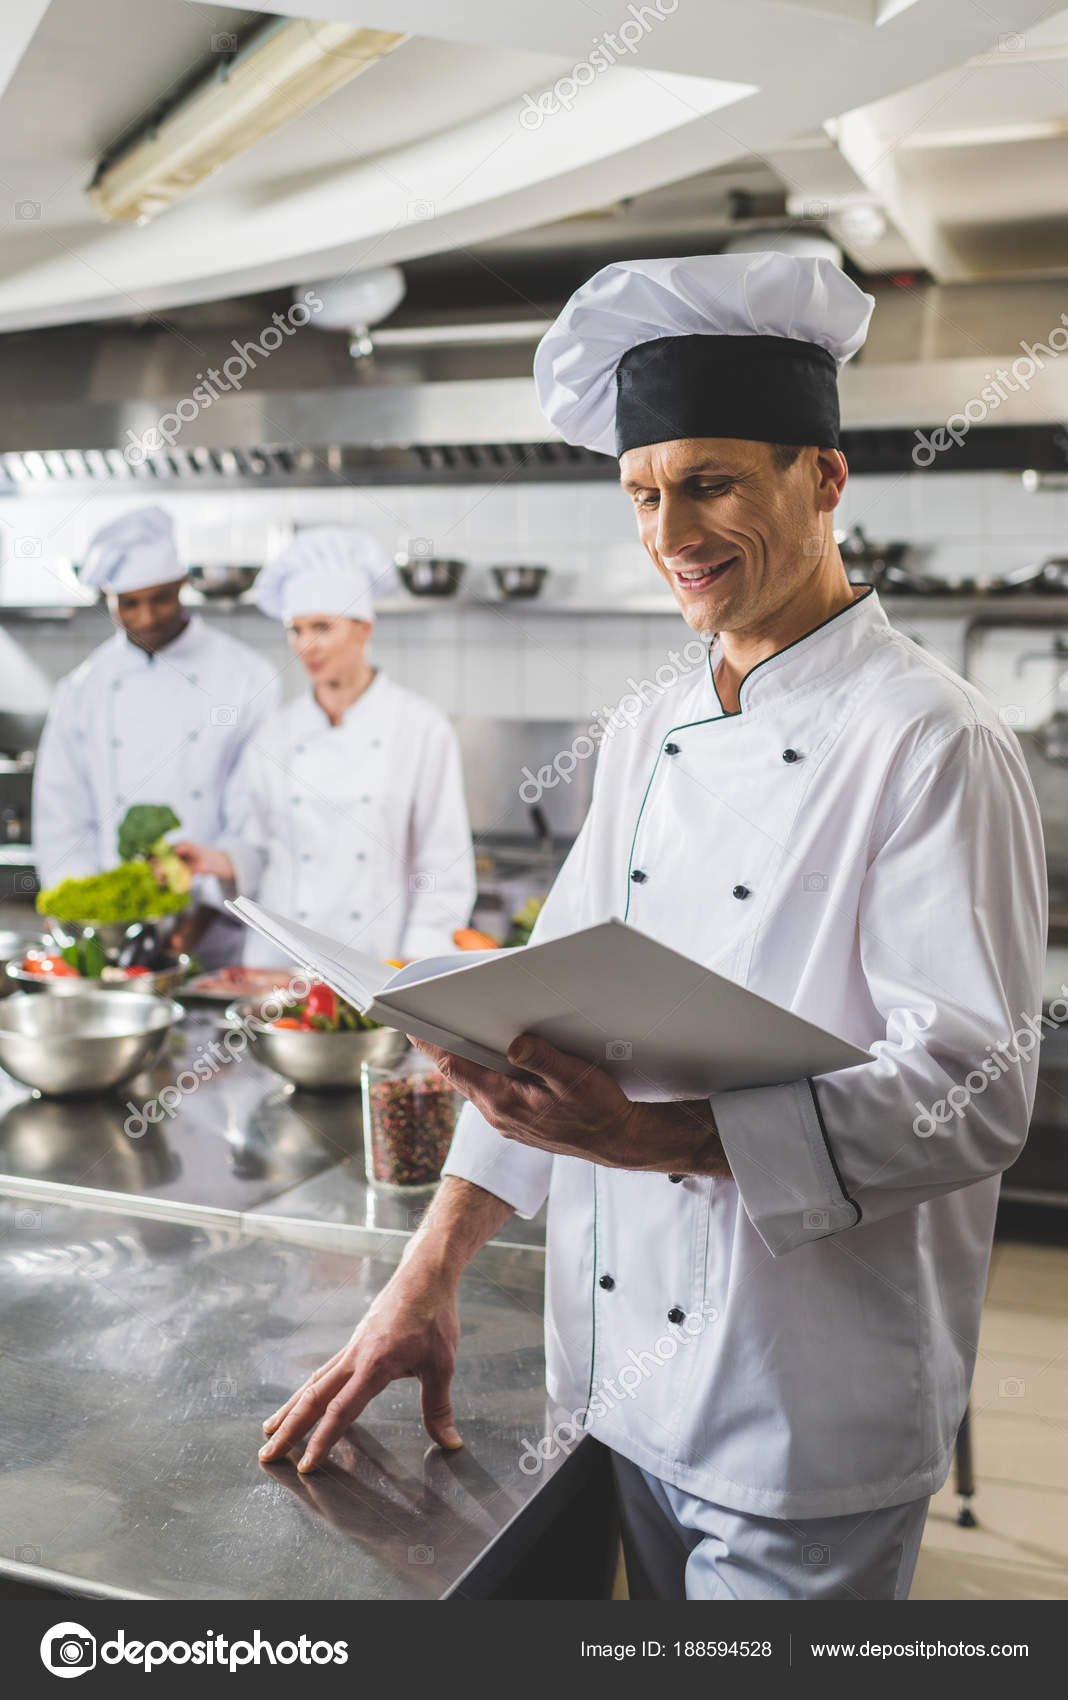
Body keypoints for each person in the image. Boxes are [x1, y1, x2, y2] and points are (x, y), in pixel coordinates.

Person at [256, 254, 1047, 1602]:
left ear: (826, 478)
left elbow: (972, 1096)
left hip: (805, 1407)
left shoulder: (931, 742)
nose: (669, 528)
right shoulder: (649, 725)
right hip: (616, 1390)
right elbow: (534, 1027)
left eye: (712, 481)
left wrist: (656, 1135)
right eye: (643, 492)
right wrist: (424, 1278)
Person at [177, 527, 476, 965]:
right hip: (280, 966)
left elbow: (443, 865)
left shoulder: (420, 728)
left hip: (379, 964)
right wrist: (221, 861)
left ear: (363, 629)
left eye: (322, 627)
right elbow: (262, 853)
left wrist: (417, 964)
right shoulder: (273, 736)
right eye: (295, 630)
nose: (306, 645)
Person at [32, 506, 280, 964]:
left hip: (215, 936)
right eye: (128, 603)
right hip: (111, 946)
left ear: (183, 584)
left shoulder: (247, 678)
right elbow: (61, 819)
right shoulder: (82, 690)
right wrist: (97, 920)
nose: (146, 617)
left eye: (160, 599)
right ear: (107, 597)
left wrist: (196, 916)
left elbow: (254, 817)